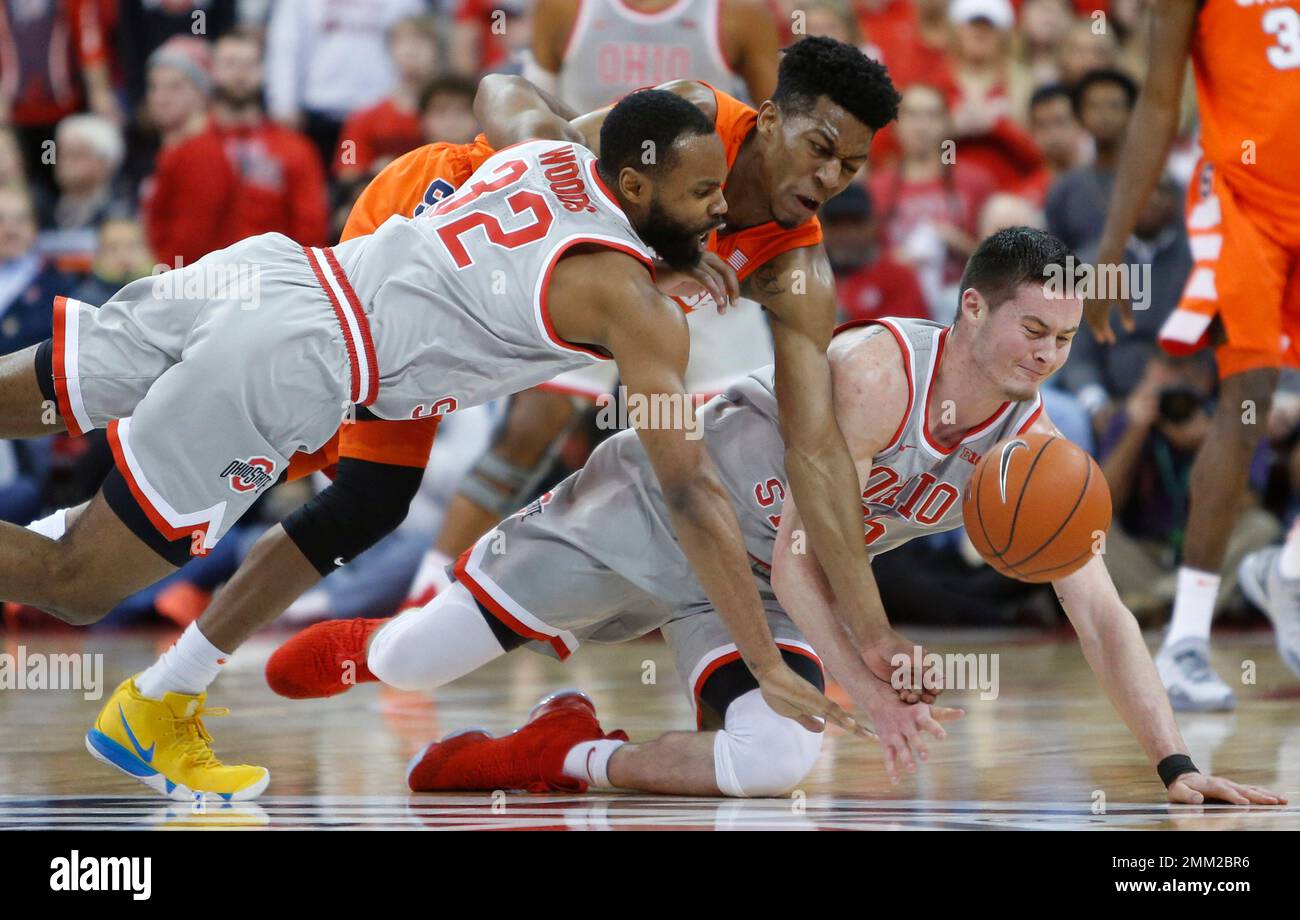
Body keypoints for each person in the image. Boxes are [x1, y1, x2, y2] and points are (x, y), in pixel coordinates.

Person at [4, 89, 867, 800]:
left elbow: (520, 110)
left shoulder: (550, 154)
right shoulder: (633, 307)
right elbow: (688, 489)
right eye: (701, 198)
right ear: (639, 191)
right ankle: (150, 694)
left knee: (42, 395)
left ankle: (158, 698)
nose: (720, 219)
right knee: (79, 580)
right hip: (298, 362)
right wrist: (764, 658)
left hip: (275, 272)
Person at [271, 228, 1286, 807]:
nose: (1047, 354)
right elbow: (810, 549)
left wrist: (1177, 765)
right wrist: (872, 681)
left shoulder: (1033, 453)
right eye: (1031, 326)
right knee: (411, 664)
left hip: (753, 588)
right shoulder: (875, 370)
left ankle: (561, 750)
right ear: (970, 309)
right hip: (659, 510)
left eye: (1063, 336)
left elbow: (1103, 613)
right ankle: (382, 637)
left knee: (777, 762)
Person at [1085, 0, 1300, 710]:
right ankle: (1185, 642)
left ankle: (1288, 570)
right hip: (1242, 202)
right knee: (1249, 401)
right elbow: (1156, 101)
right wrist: (1111, 246)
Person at [528, 0, 780, 112]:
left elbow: (777, 119)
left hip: (696, 195)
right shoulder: (561, 6)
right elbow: (531, 107)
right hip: (587, 189)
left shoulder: (742, 13)